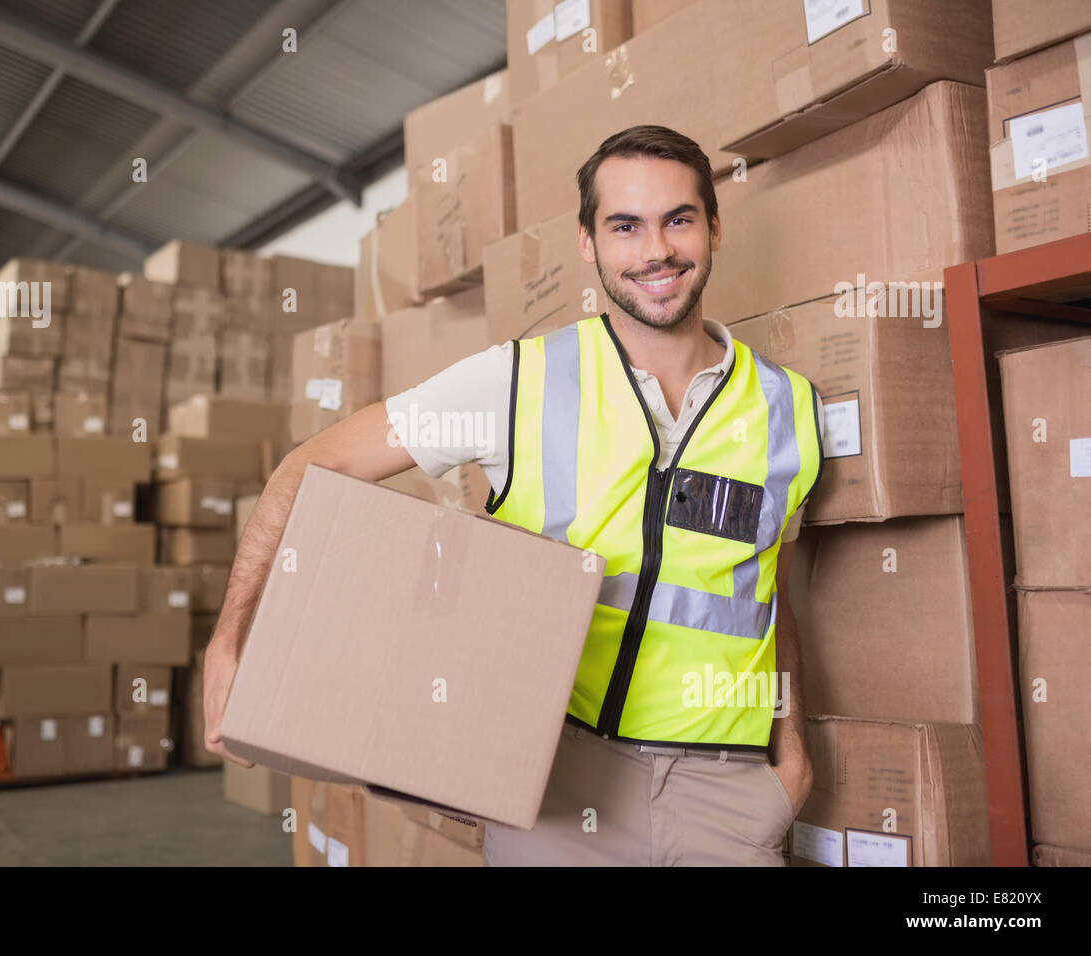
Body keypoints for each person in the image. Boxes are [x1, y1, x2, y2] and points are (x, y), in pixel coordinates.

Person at [203, 125, 826, 866]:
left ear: (714, 227)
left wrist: (791, 758)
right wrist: (229, 641)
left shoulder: (787, 407)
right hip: (557, 790)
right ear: (588, 243)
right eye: (624, 226)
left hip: (728, 797)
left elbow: (768, 589)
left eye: (678, 220)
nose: (656, 250)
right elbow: (309, 468)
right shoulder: (518, 381)